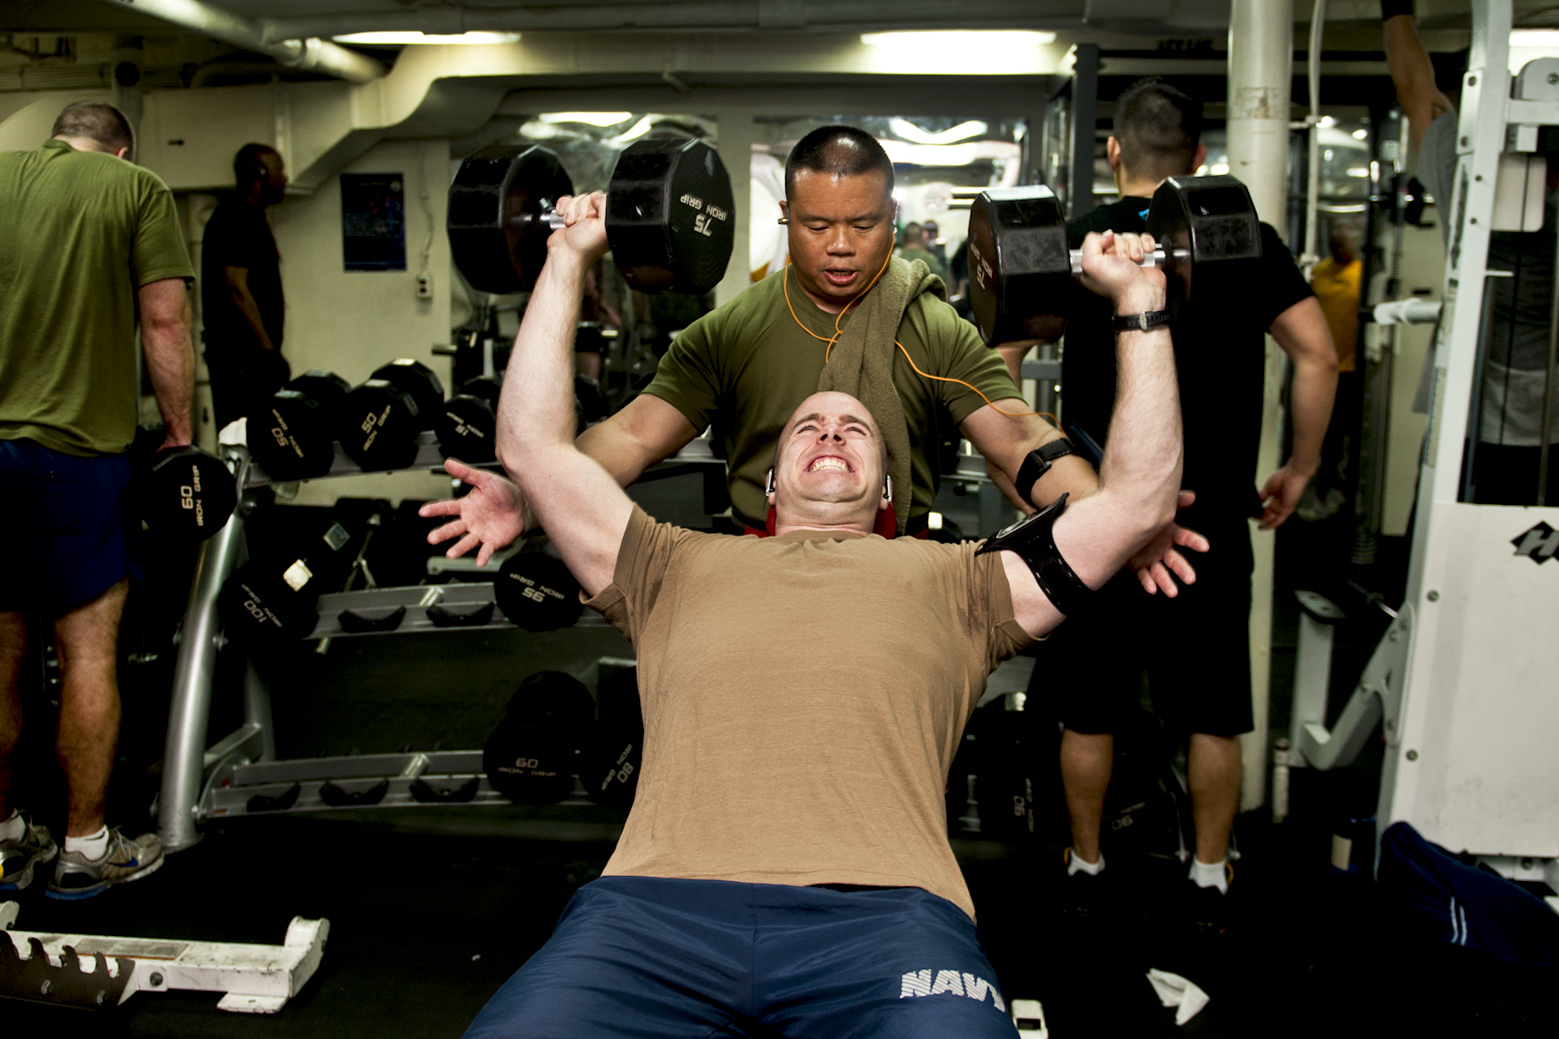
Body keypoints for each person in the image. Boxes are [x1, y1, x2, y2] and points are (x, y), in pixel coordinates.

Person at [461, 187, 1195, 1039]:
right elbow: (534, 449)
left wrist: (1140, 304)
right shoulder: (671, 563)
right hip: (649, 918)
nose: (831, 430)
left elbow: (1137, 501)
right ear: (771, 486)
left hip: (885, 923)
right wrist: (565, 258)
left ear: (885, 491)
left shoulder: (960, 581)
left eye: (855, 427)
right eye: (807, 426)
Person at [422, 126, 1199, 594]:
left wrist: (1112, 519)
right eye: (816, 224)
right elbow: (627, 439)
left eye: (861, 224)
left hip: (894, 579)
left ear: (892, 219)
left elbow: (1020, 442)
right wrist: (528, 498)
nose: (838, 246)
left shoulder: (928, 326)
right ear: (784, 215)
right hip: (751, 576)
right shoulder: (731, 331)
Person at [1013, 78, 1338, 931]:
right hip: (1210, 516)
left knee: (1087, 703)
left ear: (1112, 151)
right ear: (1197, 158)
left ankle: (1085, 865)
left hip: (1098, 513)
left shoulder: (1082, 240)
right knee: (1213, 708)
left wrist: (1041, 476)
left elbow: (998, 355)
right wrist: (1297, 467)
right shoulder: (1245, 237)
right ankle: (1206, 876)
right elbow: (1318, 357)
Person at [0, 101, 195, 898]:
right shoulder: (135, 188)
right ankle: (84, 845)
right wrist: (181, 435)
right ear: (118, 150)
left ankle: (6, 837)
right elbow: (165, 318)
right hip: (76, 455)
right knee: (85, 650)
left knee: (1, 652)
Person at [1383, 1, 1559, 504]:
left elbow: (1416, 91)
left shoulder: (1468, 182)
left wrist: (1395, 10)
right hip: (1537, 428)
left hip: (1469, 421)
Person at [202, 142, 289, 432]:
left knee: (262, 442)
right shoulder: (235, 216)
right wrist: (267, 351)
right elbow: (235, 287)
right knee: (242, 441)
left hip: (252, 360)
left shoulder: (252, 216)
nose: (286, 178)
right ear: (260, 172)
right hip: (239, 363)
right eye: (280, 169)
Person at [1304, 221, 1363, 519]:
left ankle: (1333, 494)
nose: (1339, 245)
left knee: (1337, 437)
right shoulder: (1318, 273)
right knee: (1317, 432)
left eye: (1344, 240)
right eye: (1335, 240)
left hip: (1348, 369)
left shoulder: (1361, 276)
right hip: (1316, 368)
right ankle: (1315, 489)